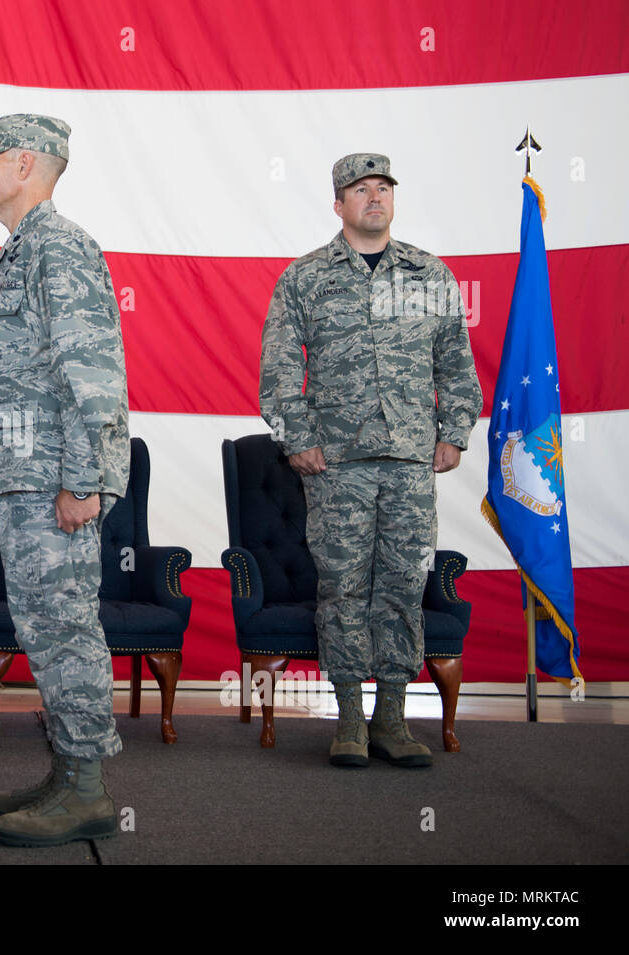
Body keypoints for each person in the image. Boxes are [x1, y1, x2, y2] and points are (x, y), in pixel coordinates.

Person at [259, 153, 482, 769]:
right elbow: (279, 367)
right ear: (339, 204)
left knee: (404, 585)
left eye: (383, 187)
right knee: (343, 588)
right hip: (337, 464)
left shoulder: (430, 274)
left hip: (410, 459)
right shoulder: (305, 277)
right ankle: (350, 721)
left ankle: (392, 719)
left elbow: (455, 362)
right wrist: (297, 438)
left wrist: (454, 432)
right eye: (361, 189)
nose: (375, 197)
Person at [0, 115, 130, 847]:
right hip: (25, 474)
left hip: (52, 477)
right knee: (42, 625)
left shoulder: (58, 247)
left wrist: (82, 480)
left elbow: (90, 372)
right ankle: (67, 772)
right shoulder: (23, 250)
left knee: (65, 629)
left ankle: (87, 789)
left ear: (25, 164)